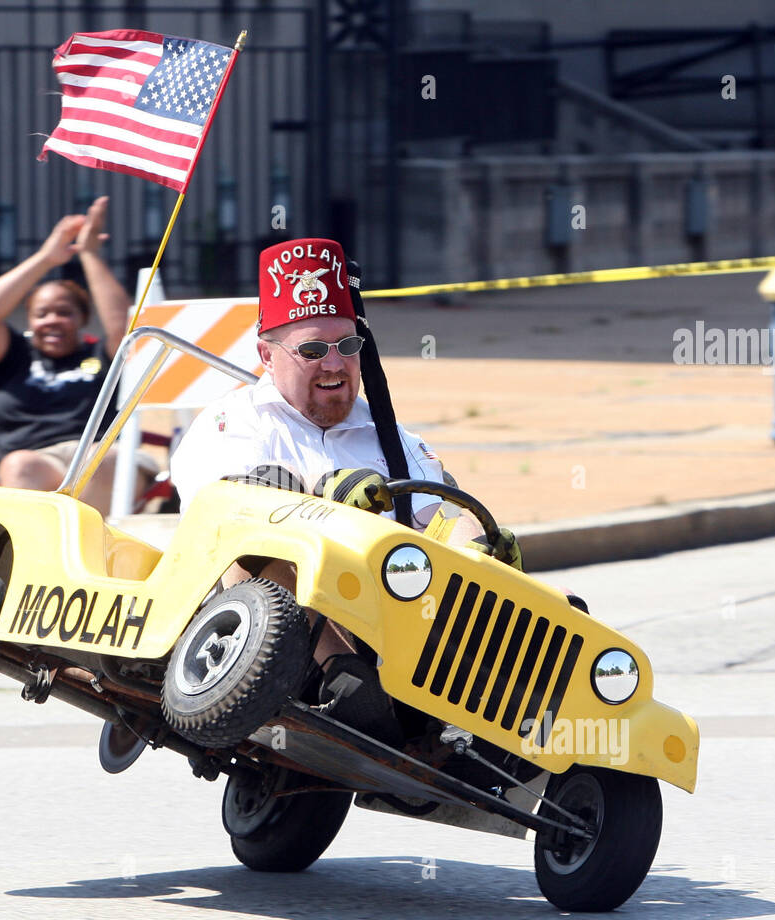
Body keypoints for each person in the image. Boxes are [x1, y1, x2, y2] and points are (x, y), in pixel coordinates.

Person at [170, 237, 522, 742]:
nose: (334, 365)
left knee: (536, 588)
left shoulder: (390, 434)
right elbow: (225, 516)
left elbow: (439, 512)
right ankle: (349, 683)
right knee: (267, 528)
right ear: (266, 355)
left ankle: (519, 727)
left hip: (390, 611)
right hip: (266, 638)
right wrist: (325, 493)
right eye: (312, 350)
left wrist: (480, 550)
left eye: (348, 346)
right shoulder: (231, 424)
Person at [0, 195, 142, 509]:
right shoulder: (13, 357)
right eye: (42, 314)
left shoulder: (102, 355)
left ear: (83, 319)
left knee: (95, 466)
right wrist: (46, 257)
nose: (53, 320)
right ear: (30, 320)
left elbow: (127, 327)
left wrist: (89, 254)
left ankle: (89, 554)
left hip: (100, 454)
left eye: (64, 312)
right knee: (20, 467)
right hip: (34, 458)